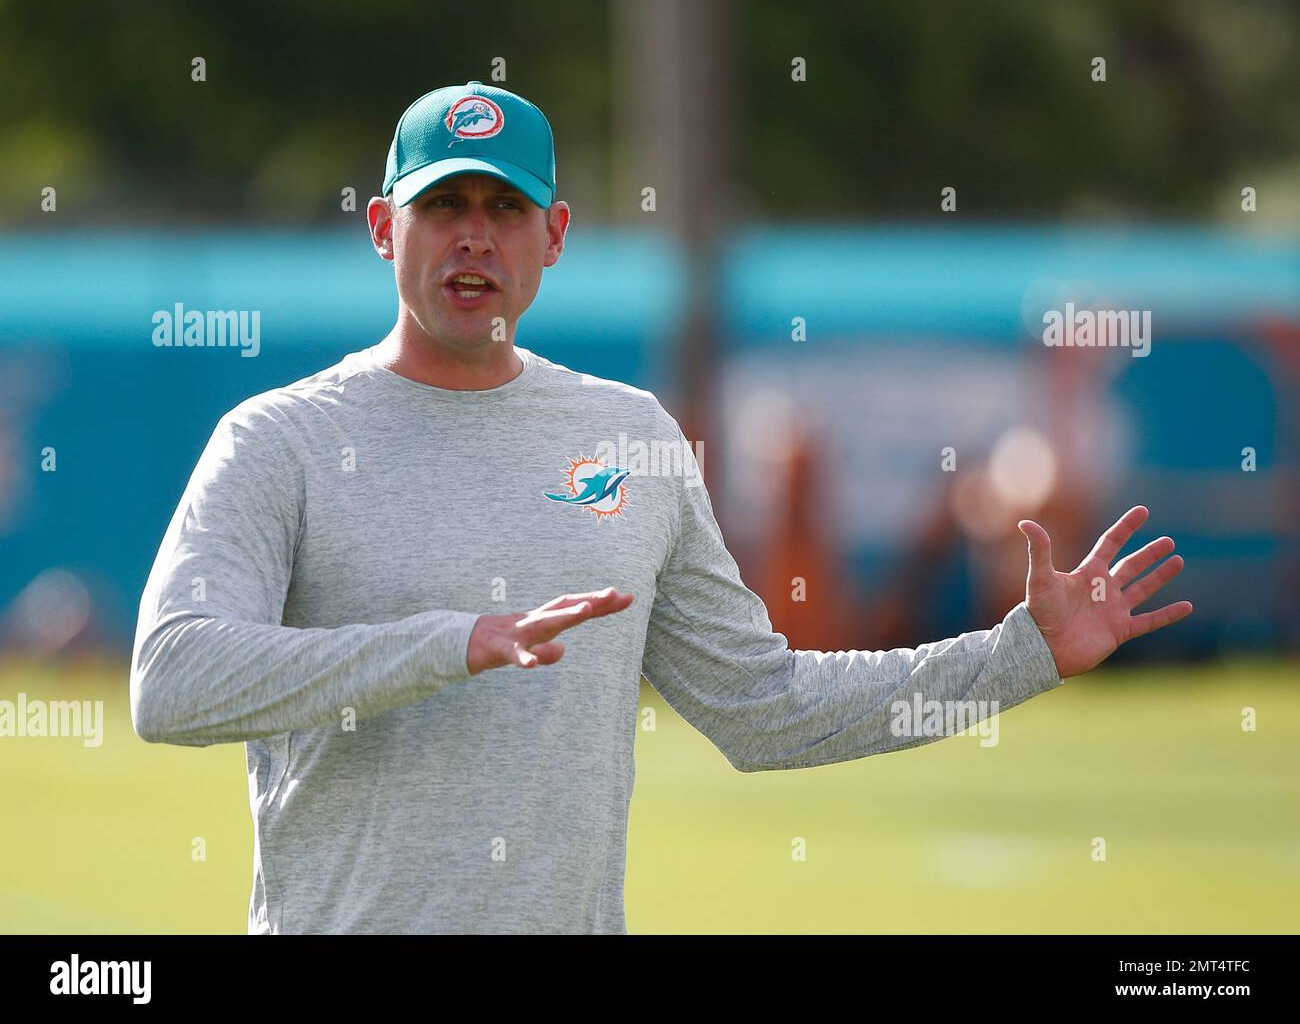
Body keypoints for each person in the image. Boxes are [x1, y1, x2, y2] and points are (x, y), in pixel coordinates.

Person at [129, 80, 1193, 935]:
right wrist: (453, 642)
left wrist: (1019, 656)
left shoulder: (631, 434)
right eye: (442, 205)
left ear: (554, 234)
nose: (473, 237)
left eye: (504, 209)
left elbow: (761, 708)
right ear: (380, 227)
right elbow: (170, 683)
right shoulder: (278, 440)